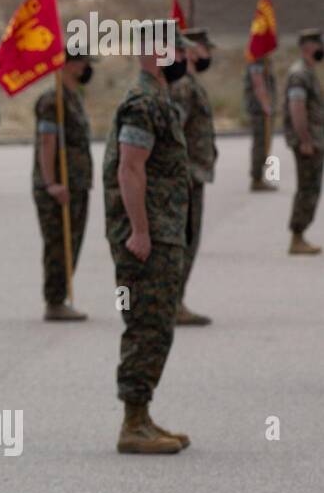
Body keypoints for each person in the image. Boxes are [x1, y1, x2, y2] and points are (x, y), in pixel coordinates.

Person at [102, 35, 190, 455]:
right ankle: (132, 422)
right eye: (180, 51)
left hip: (162, 231)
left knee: (157, 325)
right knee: (146, 325)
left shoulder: (157, 98)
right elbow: (130, 167)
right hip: (148, 236)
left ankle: (142, 414)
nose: (185, 59)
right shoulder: (143, 102)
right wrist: (139, 230)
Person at [33, 55, 94, 321]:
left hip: (76, 182)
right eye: (82, 63)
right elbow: (47, 142)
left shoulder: (72, 97)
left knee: (73, 241)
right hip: (58, 186)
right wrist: (51, 183)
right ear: (68, 64)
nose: (86, 68)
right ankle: (54, 301)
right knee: (59, 242)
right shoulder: (53, 100)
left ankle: (60, 297)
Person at [170, 29, 218, 324]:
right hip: (186, 174)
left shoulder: (189, 84)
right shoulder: (183, 87)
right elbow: (174, 131)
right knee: (185, 241)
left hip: (194, 172)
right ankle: (173, 303)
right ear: (191, 50)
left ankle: (176, 300)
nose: (207, 54)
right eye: (204, 48)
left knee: (189, 240)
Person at [284, 29, 324, 255]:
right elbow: (297, 108)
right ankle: (297, 236)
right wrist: (305, 140)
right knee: (307, 189)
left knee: (311, 189)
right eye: (320, 45)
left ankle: (299, 235)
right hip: (308, 143)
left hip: (314, 140)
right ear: (309, 47)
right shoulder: (299, 74)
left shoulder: (308, 71)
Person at [245, 47, 277, 192]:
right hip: (259, 111)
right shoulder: (257, 60)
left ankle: (259, 177)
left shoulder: (263, 60)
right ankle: (257, 178)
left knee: (264, 143)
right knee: (260, 143)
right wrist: (266, 106)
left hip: (262, 110)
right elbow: (258, 84)